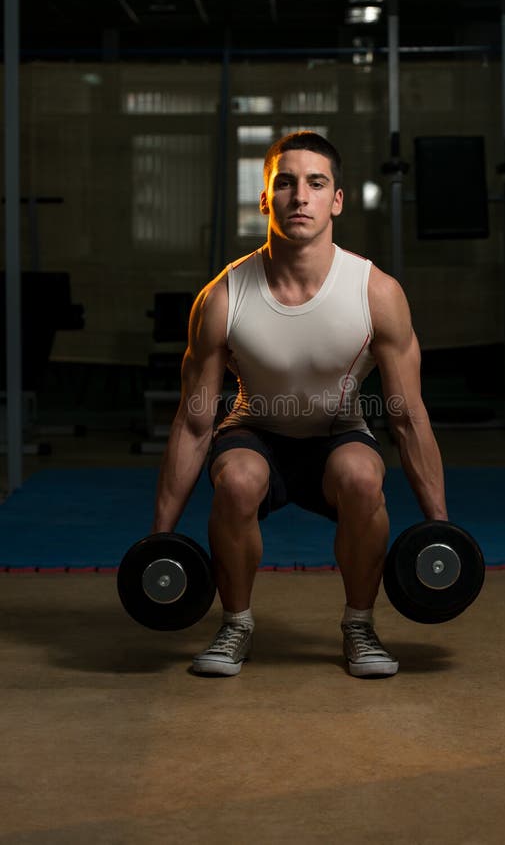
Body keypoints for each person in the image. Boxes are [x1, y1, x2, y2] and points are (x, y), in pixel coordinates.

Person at [151, 130, 447, 678]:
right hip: (254, 431)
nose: (300, 197)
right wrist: (160, 539)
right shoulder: (223, 296)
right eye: (285, 183)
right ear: (265, 197)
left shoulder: (376, 293)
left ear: (337, 199)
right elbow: (194, 423)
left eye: (316, 183)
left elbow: (407, 417)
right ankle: (236, 624)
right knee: (237, 480)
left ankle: (359, 625)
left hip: (338, 433)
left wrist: (441, 529)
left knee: (363, 477)